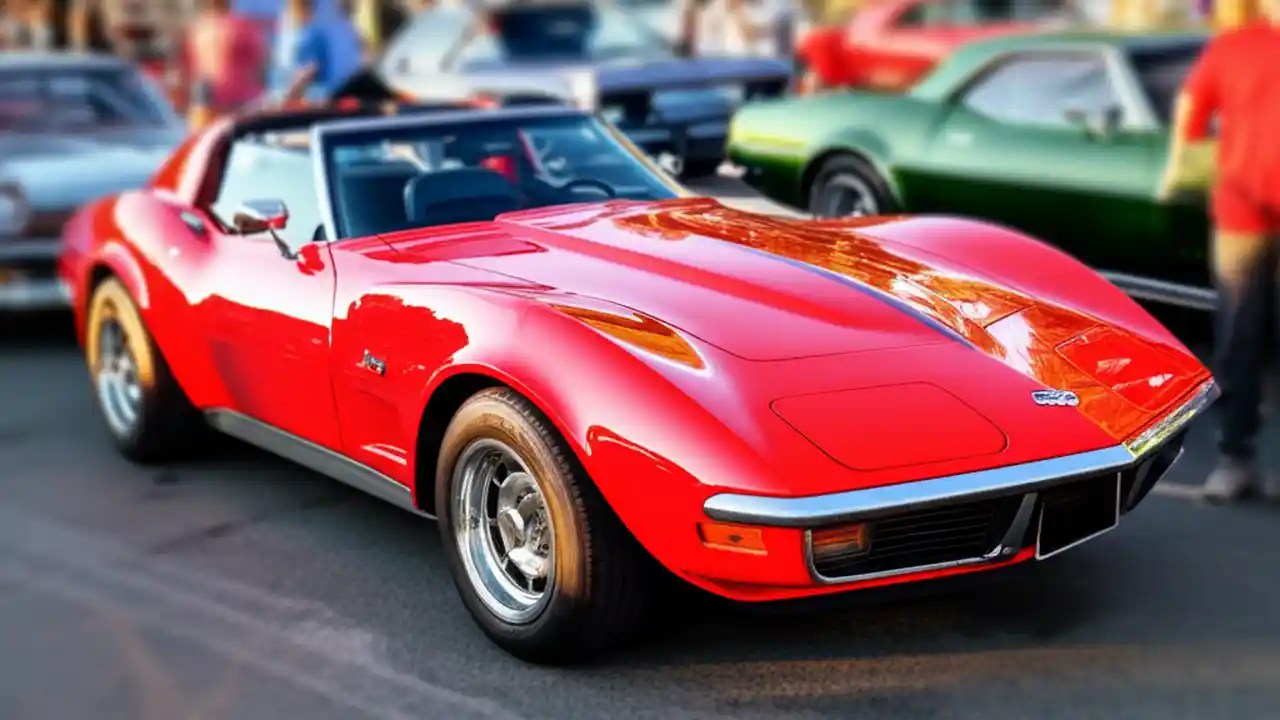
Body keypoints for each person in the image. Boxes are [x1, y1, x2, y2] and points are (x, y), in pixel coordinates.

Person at [1159, 0, 1280, 503]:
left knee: (1246, 335)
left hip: (1241, 212)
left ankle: (1240, 463)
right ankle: (1235, 460)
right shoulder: (1234, 45)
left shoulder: (1233, 45)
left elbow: (1191, 106)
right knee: (1239, 335)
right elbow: (1193, 103)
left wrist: (1180, 160)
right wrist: (1180, 163)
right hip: (1241, 213)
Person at [180, 0, 268, 114]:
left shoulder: (196, 30)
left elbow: (188, 70)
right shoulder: (242, 27)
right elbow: (260, 64)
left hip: (206, 100)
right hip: (241, 98)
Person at [276, 0, 361, 104]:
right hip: (352, 97)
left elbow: (309, 69)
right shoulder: (346, 27)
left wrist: (284, 99)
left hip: (327, 102)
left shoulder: (313, 31)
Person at [676, 0, 795, 58]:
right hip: (716, 67)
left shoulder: (777, 6)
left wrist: (737, 10)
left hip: (764, 70)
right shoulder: (713, 8)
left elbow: (751, 34)